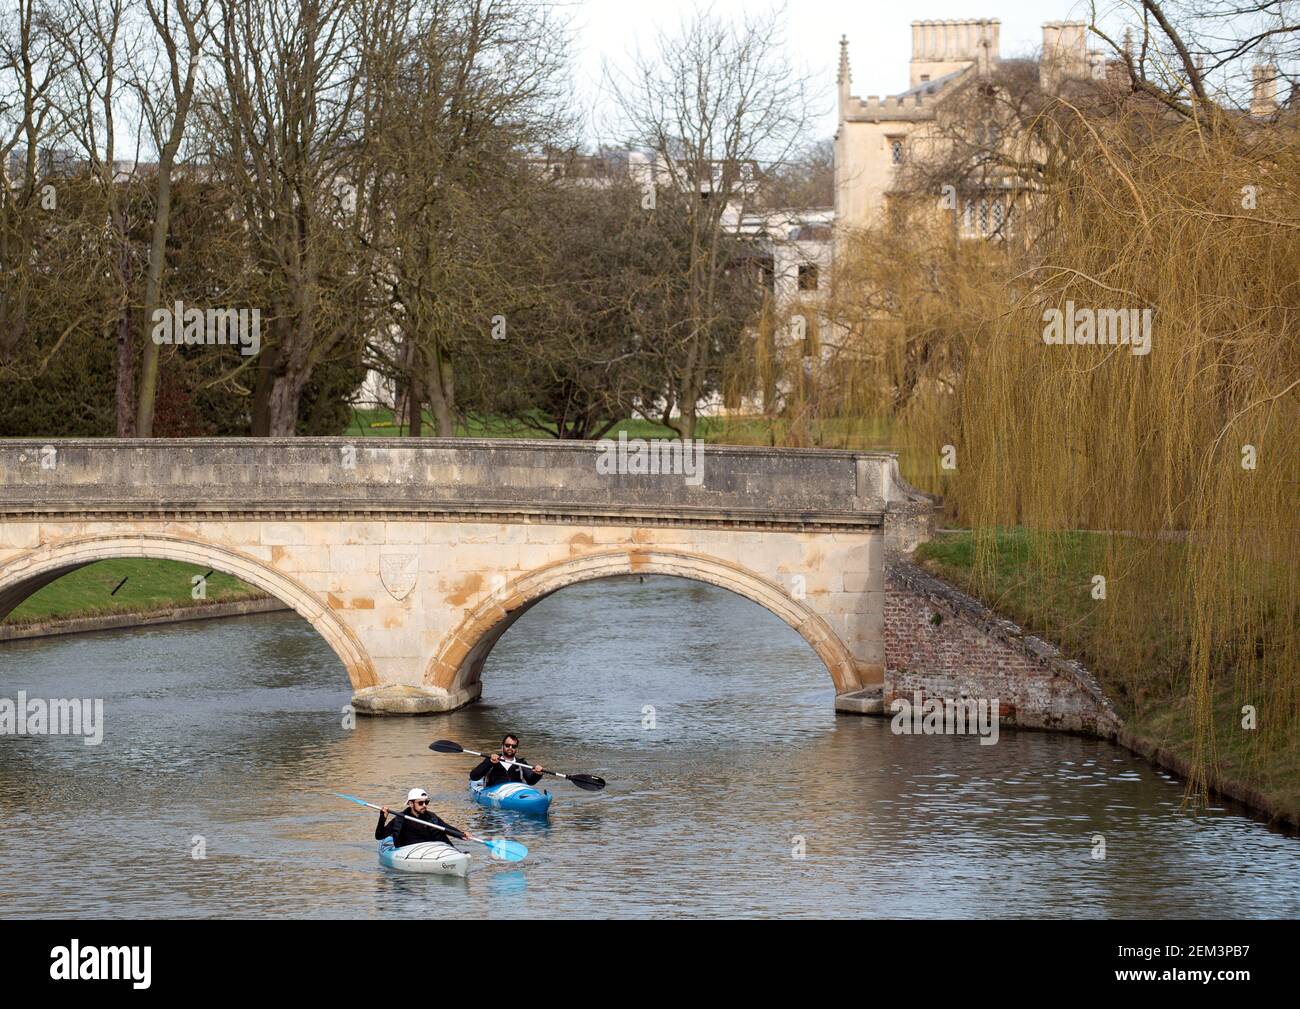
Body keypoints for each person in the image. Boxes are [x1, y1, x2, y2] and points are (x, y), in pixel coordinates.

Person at [375, 788, 470, 848]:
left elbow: (445, 828)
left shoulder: (431, 817)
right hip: (410, 850)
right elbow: (379, 836)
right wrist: (382, 818)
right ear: (411, 804)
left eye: (426, 802)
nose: (424, 805)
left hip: (432, 849)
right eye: (420, 803)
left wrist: (461, 834)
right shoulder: (400, 819)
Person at [469, 733, 545, 788]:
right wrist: (490, 762)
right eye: (507, 745)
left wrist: (538, 774)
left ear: (516, 749)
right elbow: (474, 776)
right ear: (502, 747)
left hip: (515, 792)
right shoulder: (491, 760)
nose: (510, 748)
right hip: (494, 792)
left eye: (514, 746)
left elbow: (531, 781)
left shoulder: (521, 763)